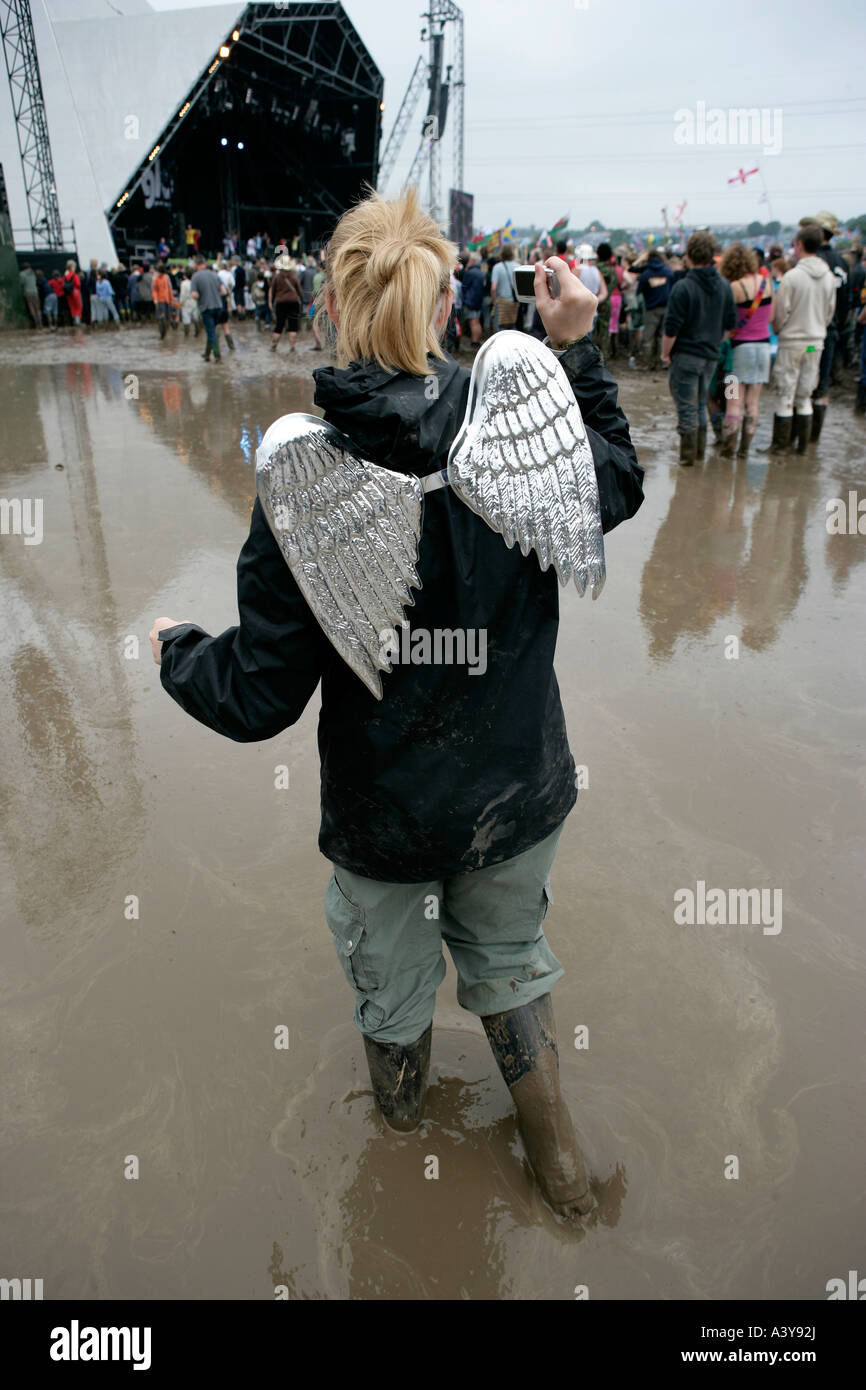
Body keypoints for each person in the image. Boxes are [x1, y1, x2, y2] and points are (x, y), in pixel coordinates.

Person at [148, 186, 644, 1223]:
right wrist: (574, 346)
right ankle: (557, 1160)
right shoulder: (522, 415)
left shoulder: (304, 468)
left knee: (392, 990)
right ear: (446, 293)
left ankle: (404, 1151)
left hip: (383, 814)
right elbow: (613, 487)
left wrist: (178, 651)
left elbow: (257, 695)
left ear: (334, 301)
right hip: (514, 786)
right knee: (510, 966)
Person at [661, 230, 736, 464]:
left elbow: (671, 328)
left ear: (689, 255)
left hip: (686, 354)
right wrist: (715, 339)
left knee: (687, 408)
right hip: (711, 354)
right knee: (701, 404)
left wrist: (665, 353)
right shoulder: (724, 285)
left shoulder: (683, 287)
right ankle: (698, 457)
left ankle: (688, 461)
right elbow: (731, 324)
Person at [770, 223, 836, 453]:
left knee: (786, 394)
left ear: (799, 245)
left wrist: (779, 330)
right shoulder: (828, 276)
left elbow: (780, 313)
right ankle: (802, 447)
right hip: (814, 343)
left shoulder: (792, 277)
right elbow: (830, 311)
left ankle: (780, 445)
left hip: (792, 341)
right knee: (805, 393)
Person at [718, 242, 775, 456]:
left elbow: (728, 322)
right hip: (763, 349)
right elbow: (771, 317)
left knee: (733, 403)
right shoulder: (766, 283)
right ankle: (744, 451)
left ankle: (727, 451)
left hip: (738, 352)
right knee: (752, 404)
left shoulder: (735, 287)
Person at [800, 211, 849, 440]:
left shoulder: (810, 262)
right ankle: (813, 440)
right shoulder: (842, 262)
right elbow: (845, 303)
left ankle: (795, 439)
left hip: (806, 335)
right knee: (822, 384)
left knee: (803, 382)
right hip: (829, 333)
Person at [636, 245, 674, 370]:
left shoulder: (646, 274)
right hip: (666, 307)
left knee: (648, 337)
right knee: (661, 335)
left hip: (651, 309)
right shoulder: (668, 272)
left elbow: (640, 290)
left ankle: (647, 362)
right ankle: (661, 361)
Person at [190, 254, 225, 362]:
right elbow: (224, 291)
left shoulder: (195, 277)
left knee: (211, 332)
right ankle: (206, 354)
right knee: (212, 331)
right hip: (219, 307)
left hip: (206, 308)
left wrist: (197, 296)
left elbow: (194, 294)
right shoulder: (215, 275)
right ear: (204, 264)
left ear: (196, 264)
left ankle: (217, 356)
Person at [269, 253, 302, 352]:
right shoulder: (294, 276)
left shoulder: (277, 277)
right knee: (293, 325)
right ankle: (292, 346)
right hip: (293, 302)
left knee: (279, 324)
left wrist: (273, 301)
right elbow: (299, 290)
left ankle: (274, 346)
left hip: (280, 302)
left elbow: (273, 290)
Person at [490, 243, 519, 329]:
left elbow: (493, 288)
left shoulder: (497, 267)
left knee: (500, 329)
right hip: (514, 303)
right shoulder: (517, 266)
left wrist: (494, 301)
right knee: (513, 327)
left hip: (501, 303)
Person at [461, 250, 484, 348]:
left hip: (471, 300)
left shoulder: (470, 273)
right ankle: (477, 339)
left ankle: (474, 341)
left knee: (473, 322)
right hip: (478, 300)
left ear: (473, 260)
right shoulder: (480, 272)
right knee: (477, 321)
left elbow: (464, 286)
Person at [152, 261, 175, 339]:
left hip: (167, 299)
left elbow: (169, 289)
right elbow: (154, 290)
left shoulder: (166, 277)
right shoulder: (156, 279)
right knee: (160, 317)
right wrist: (155, 299)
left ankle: (165, 331)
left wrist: (171, 298)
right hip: (160, 300)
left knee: (168, 317)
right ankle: (161, 332)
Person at [19, 262, 41, 328]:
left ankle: (36, 323)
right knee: (37, 308)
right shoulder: (33, 273)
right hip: (35, 292)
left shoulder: (21, 274)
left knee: (32, 308)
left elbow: (22, 283)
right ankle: (40, 323)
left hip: (28, 293)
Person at [178, 269, 199, 337]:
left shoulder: (183, 283)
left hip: (186, 303)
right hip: (194, 302)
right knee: (195, 318)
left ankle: (187, 335)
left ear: (185, 276)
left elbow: (182, 294)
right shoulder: (195, 282)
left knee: (186, 320)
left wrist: (180, 303)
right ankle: (197, 333)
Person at [62, 259, 83, 325]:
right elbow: (78, 284)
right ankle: (78, 321)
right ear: (72, 267)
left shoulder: (65, 276)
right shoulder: (75, 275)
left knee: (72, 307)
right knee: (78, 307)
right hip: (75, 292)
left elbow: (63, 284)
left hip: (68, 293)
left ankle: (74, 320)